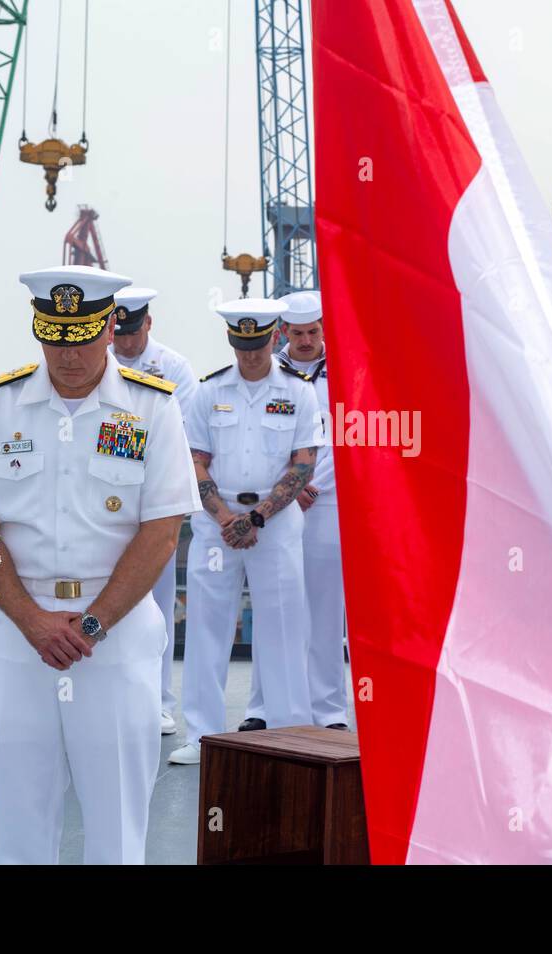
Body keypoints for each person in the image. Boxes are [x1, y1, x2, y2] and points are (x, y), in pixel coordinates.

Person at [0, 265, 199, 864]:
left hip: (114, 638)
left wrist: (91, 625)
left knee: (116, 825)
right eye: (54, 339)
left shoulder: (150, 409)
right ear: (39, 332)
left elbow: (162, 530)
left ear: (109, 329)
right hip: (19, 636)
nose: (68, 355)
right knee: (19, 822)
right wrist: (30, 620)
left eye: (81, 339)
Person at [167, 298, 322, 765]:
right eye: (242, 345)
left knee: (284, 628)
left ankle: (289, 731)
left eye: (257, 345)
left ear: (274, 337)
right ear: (231, 341)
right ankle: (203, 735)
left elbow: (303, 464)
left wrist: (256, 519)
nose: (250, 355)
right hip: (217, 523)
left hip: (274, 523)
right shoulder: (207, 391)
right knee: (206, 629)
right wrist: (225, 519)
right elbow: (195, 460)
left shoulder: (298, 392)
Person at [242, 290, 349, 731]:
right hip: (277, 505)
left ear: (324, 330)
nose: (305, 341)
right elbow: (253, 438)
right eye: (297, 333)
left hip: (328, 503)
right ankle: (261, 708)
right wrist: (287, 488)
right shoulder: (265, 373)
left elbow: (356, 436)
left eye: (313, 332)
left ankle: (328, 711)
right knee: (274, 606)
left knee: (326, 611)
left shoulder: (348, 372)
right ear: (283, 331)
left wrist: (315, 484)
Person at [110, 286, 197, 736]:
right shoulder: (98, 360)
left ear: (148, 323)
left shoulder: (174, 367)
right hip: (106, 498)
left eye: (132, 332)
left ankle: (160, 701)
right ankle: (113, 697)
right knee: (105, 599)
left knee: (158, 606)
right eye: (118, 333)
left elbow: (181, 433)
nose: (125, 343)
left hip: (154, 501)